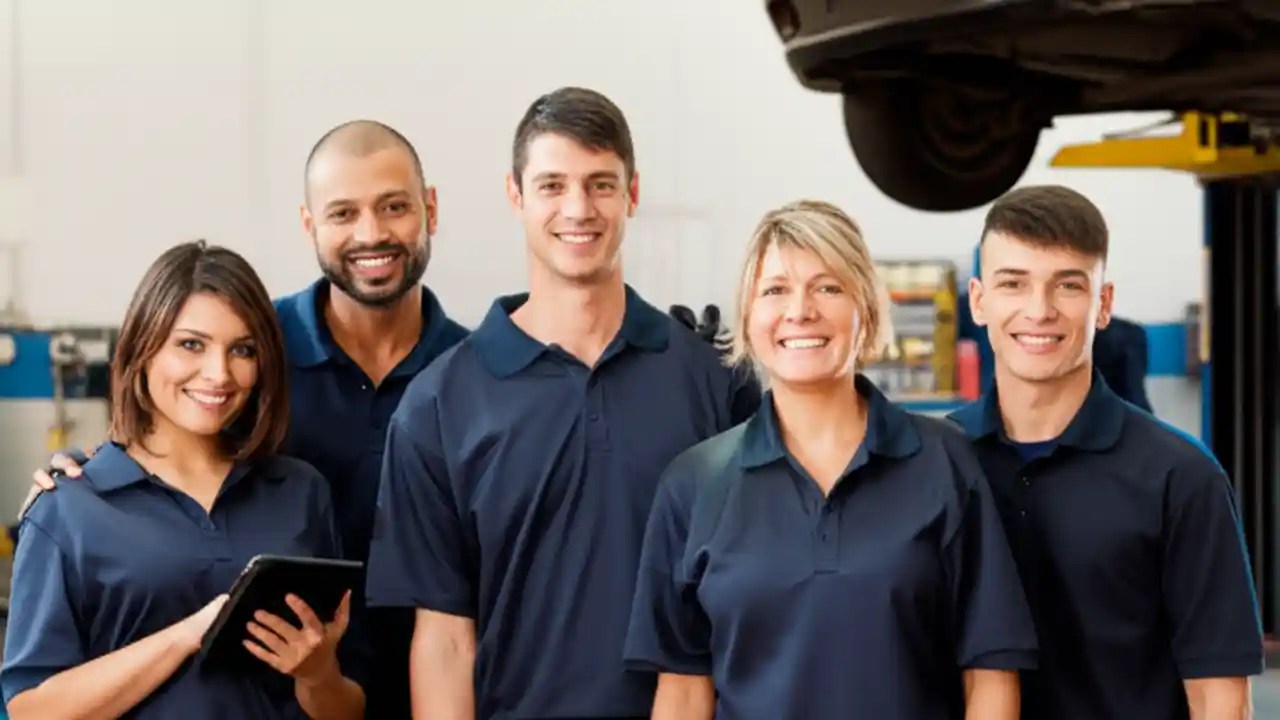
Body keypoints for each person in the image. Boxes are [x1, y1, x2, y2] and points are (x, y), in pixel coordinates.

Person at [29, 119, 469, 719]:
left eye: (393, 206)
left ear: (430, 209)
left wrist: (320, 675)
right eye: (343, 212)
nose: (220, 372)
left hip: (444, 690)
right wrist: (84, 478)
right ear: (310, 224)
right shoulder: (262, 341)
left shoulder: (474, 375)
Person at [363, 86, 761, 719]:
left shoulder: (713, 379)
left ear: (632, 195)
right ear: (515, 196)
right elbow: (443, 640)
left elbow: (751, 597)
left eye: (601, 184)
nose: (578, 208)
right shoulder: (438, 403)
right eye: (552, 185)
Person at [621, 199, 1038, 719]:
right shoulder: (693, 483)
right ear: (749, 316)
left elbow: (991, 674)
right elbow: (683, 691)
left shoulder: (943, 461)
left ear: (866, 308)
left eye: (827, 287)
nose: (800, 310)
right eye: (775, 290)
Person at [1, 241, 365, 719]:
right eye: (191, 344)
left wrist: (317, 675)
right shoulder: (67, 504)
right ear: (143, 348)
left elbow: (348, 710)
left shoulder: (301, 492)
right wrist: (190, 633)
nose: (218, 373)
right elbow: (31, 712)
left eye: (243, 349)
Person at [946, 184, 1263, 719]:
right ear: (979, 300)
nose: (1038, 310)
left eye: (1067, 285)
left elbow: (1218, 696)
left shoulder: (1180, 477)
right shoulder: (938, 463)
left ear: (1103, 304)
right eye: (1013, 283)